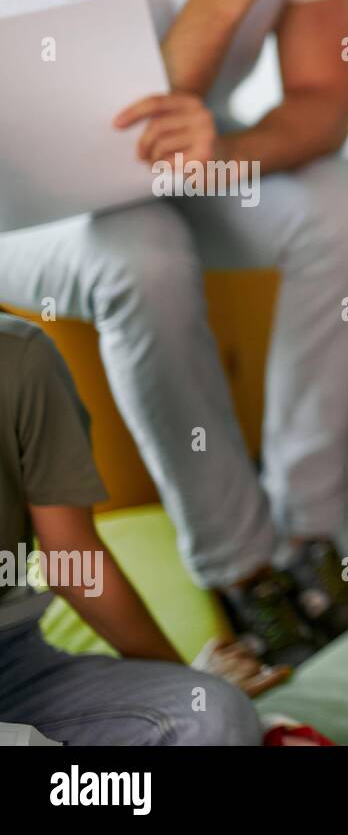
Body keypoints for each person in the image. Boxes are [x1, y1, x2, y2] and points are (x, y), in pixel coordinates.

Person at [0, 0, 348, 665]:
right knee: (142, 251)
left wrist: (223, 160)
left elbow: (324, 101)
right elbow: (106, 144)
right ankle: (242, 571)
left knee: (342, 212)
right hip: (30, 198)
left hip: (177, 155)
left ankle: (311, 539)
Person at [0, 314, 270, 745]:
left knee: (211, 717)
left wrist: (184, 680)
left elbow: (72, 559)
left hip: (14, 664)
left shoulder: (19, 356)